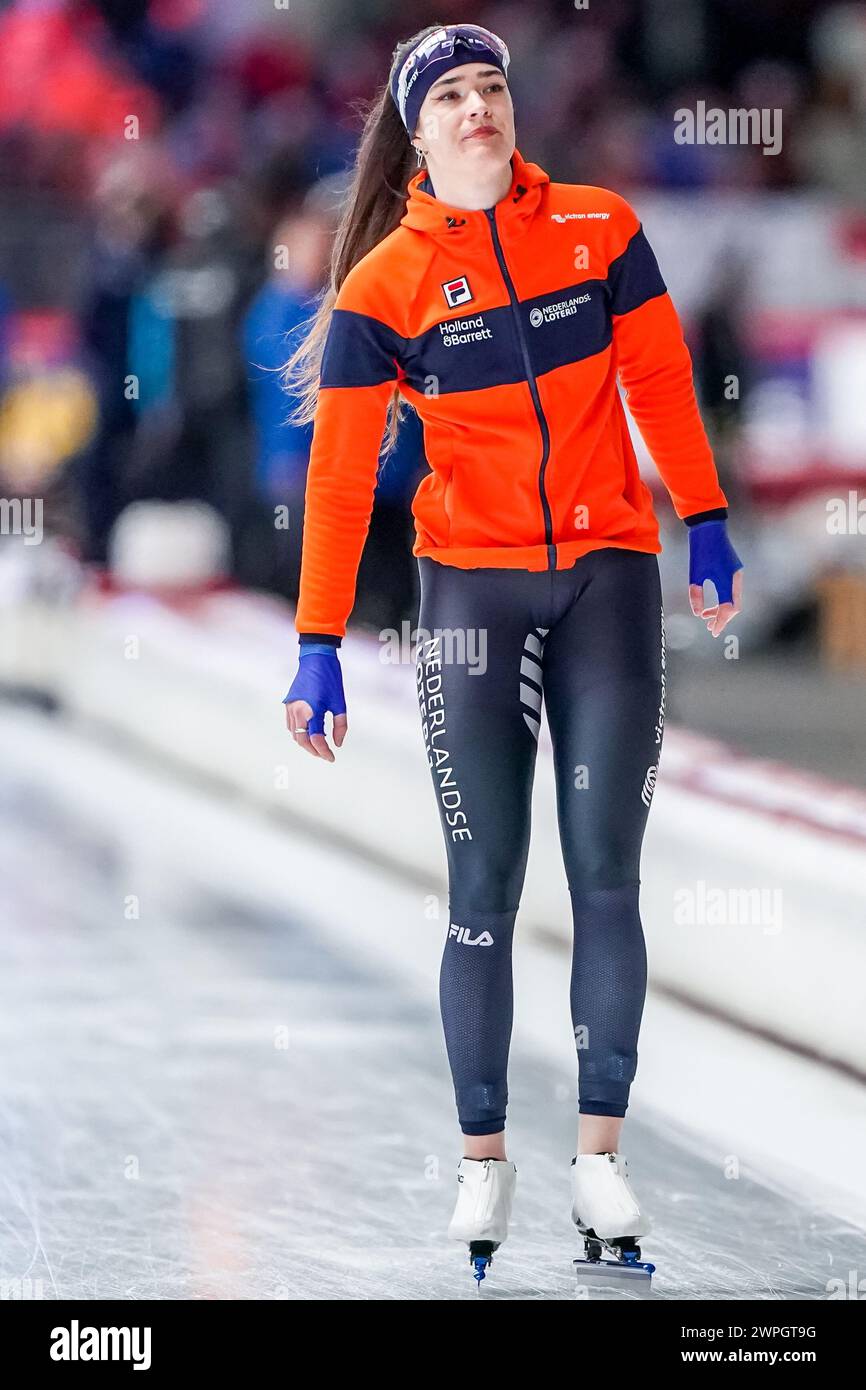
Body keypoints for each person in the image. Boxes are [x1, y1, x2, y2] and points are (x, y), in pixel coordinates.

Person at [280, 22, 743, 1284]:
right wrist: (316, 641)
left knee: (606, 873)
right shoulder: (385, 284)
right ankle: (483, 1162)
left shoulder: (596, 229)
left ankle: (599, 1153)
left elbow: (657, 378)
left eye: (493, 87)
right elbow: (335, 481)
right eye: (454, 96)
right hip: (470, 592)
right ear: (418, 134)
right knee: (481, 884)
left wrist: (702, 522)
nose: (480, 106)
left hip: (605, 576)